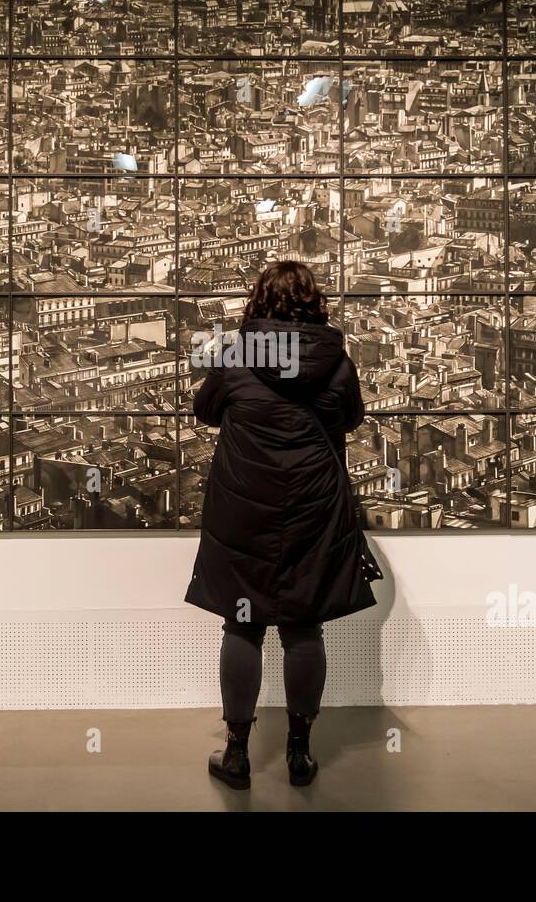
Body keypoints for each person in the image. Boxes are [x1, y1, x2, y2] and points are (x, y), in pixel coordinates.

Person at [185, 260, 376, 789]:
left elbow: (205, 410)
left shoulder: (237, 356)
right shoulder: (336, 361)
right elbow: (352, 418)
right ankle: (299, 752)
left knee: (241, 623)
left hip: (244, 506)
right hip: (315, 506)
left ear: (258, 302)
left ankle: (238, 755)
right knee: (303, 624)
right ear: (313, 302)